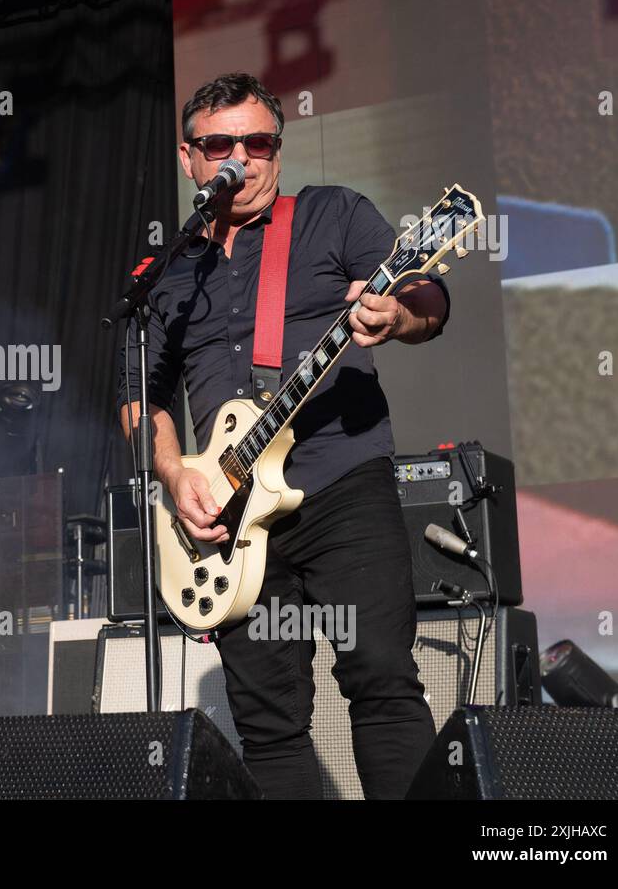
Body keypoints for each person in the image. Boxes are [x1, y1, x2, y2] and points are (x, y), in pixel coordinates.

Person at [118, 73, 449, 799]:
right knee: (268, 725)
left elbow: (427, 299)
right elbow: (141, 399)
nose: (244, 155)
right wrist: (177, 478)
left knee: (383, 684)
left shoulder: (333, 216)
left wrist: (394, 317)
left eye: (259, 141)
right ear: (190, 159)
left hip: (342, 486)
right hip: (231, 522)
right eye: (221, 143)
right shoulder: (169, 274)